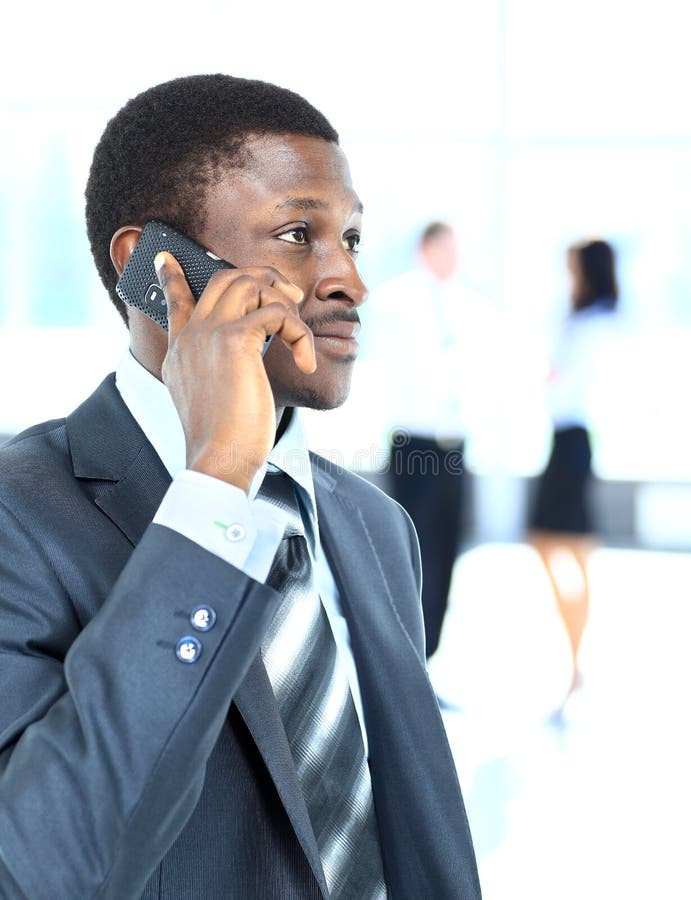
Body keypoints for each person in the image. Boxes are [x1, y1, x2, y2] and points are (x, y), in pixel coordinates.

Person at [0, 76, 481, 899]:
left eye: (353, 240)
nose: (348, 284)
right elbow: (45, 865)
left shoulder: (373, 523)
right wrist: (217, 479)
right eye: (298, 234)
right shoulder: (21, 515)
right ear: (154, 269)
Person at [370, 222, 496, 660]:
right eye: (447, 248)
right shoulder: (396, 301)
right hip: (415, 443)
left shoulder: (467, 305)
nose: (455, 258)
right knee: (413, 550)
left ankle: (430, 656)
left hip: (455, 445)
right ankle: (404, 657)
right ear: (426, 248)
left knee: (448, 548)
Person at [529, 238, 619, 713]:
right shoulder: (580, 318)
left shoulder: (594, 323)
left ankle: (577, 660)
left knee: (572, 549)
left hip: (573, 441)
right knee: (553, 544)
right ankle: (576, 659)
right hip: (564, 440)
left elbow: (560, 383)